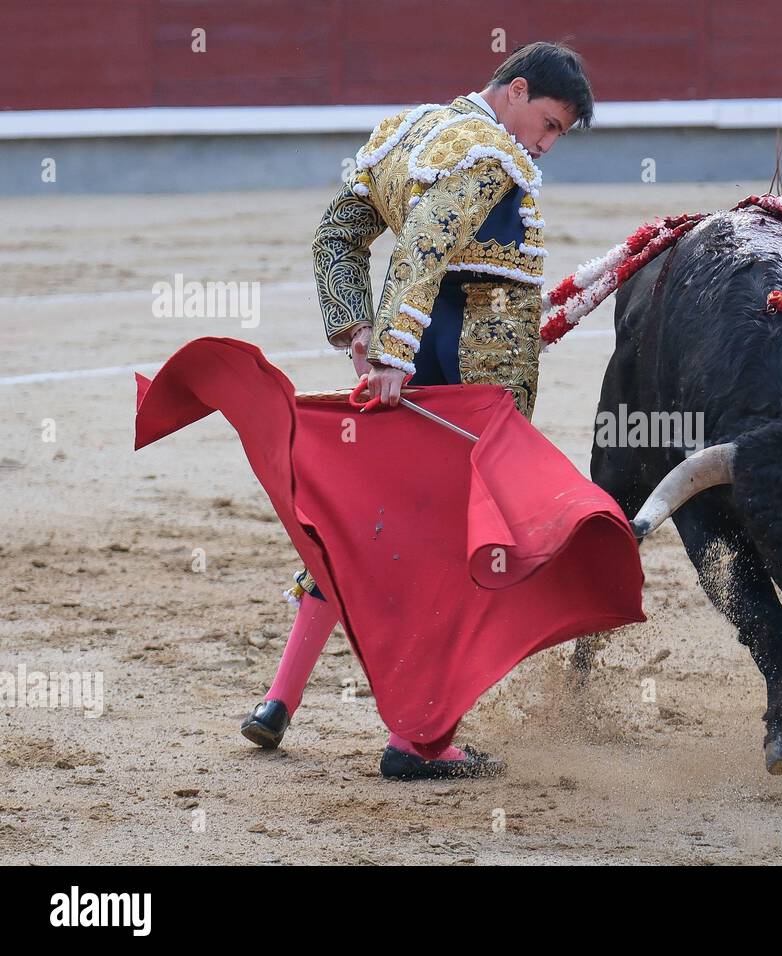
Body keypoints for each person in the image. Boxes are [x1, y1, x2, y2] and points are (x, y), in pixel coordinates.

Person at [239, 41, 594, 780]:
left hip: (422, 350)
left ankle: (279, 700)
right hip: (472, 370)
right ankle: (421, 742)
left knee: (360, 517)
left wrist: (359, 332)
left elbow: (337, 235)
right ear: (516, 90)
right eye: (550, 123)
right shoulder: (492, 153)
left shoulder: (408, 131)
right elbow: (426, 246)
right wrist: (393, 354)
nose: (546, 143)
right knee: (464, 544)